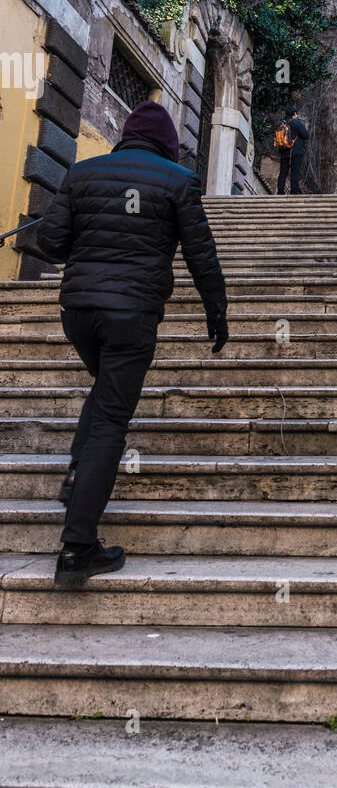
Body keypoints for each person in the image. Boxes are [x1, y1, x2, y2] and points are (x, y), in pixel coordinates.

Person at [37, 100, 228, 587]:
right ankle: (78, 547)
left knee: (105, 393)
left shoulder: (82, 172)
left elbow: (51, 244)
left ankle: (78, 477)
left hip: (77, 313)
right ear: (167, 141)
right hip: (132, 315)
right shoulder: (177, 181)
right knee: (112, 418)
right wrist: (216, 310)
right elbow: (200, 253)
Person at [275, 106, 310, 195]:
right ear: (294, 114)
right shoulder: (296, 122)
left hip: (284, 150)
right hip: (296, 151)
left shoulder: (281, 124)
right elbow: (306, 135)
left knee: (283, 171)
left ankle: (280, 191)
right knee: (295, 171)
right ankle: (294, 191)